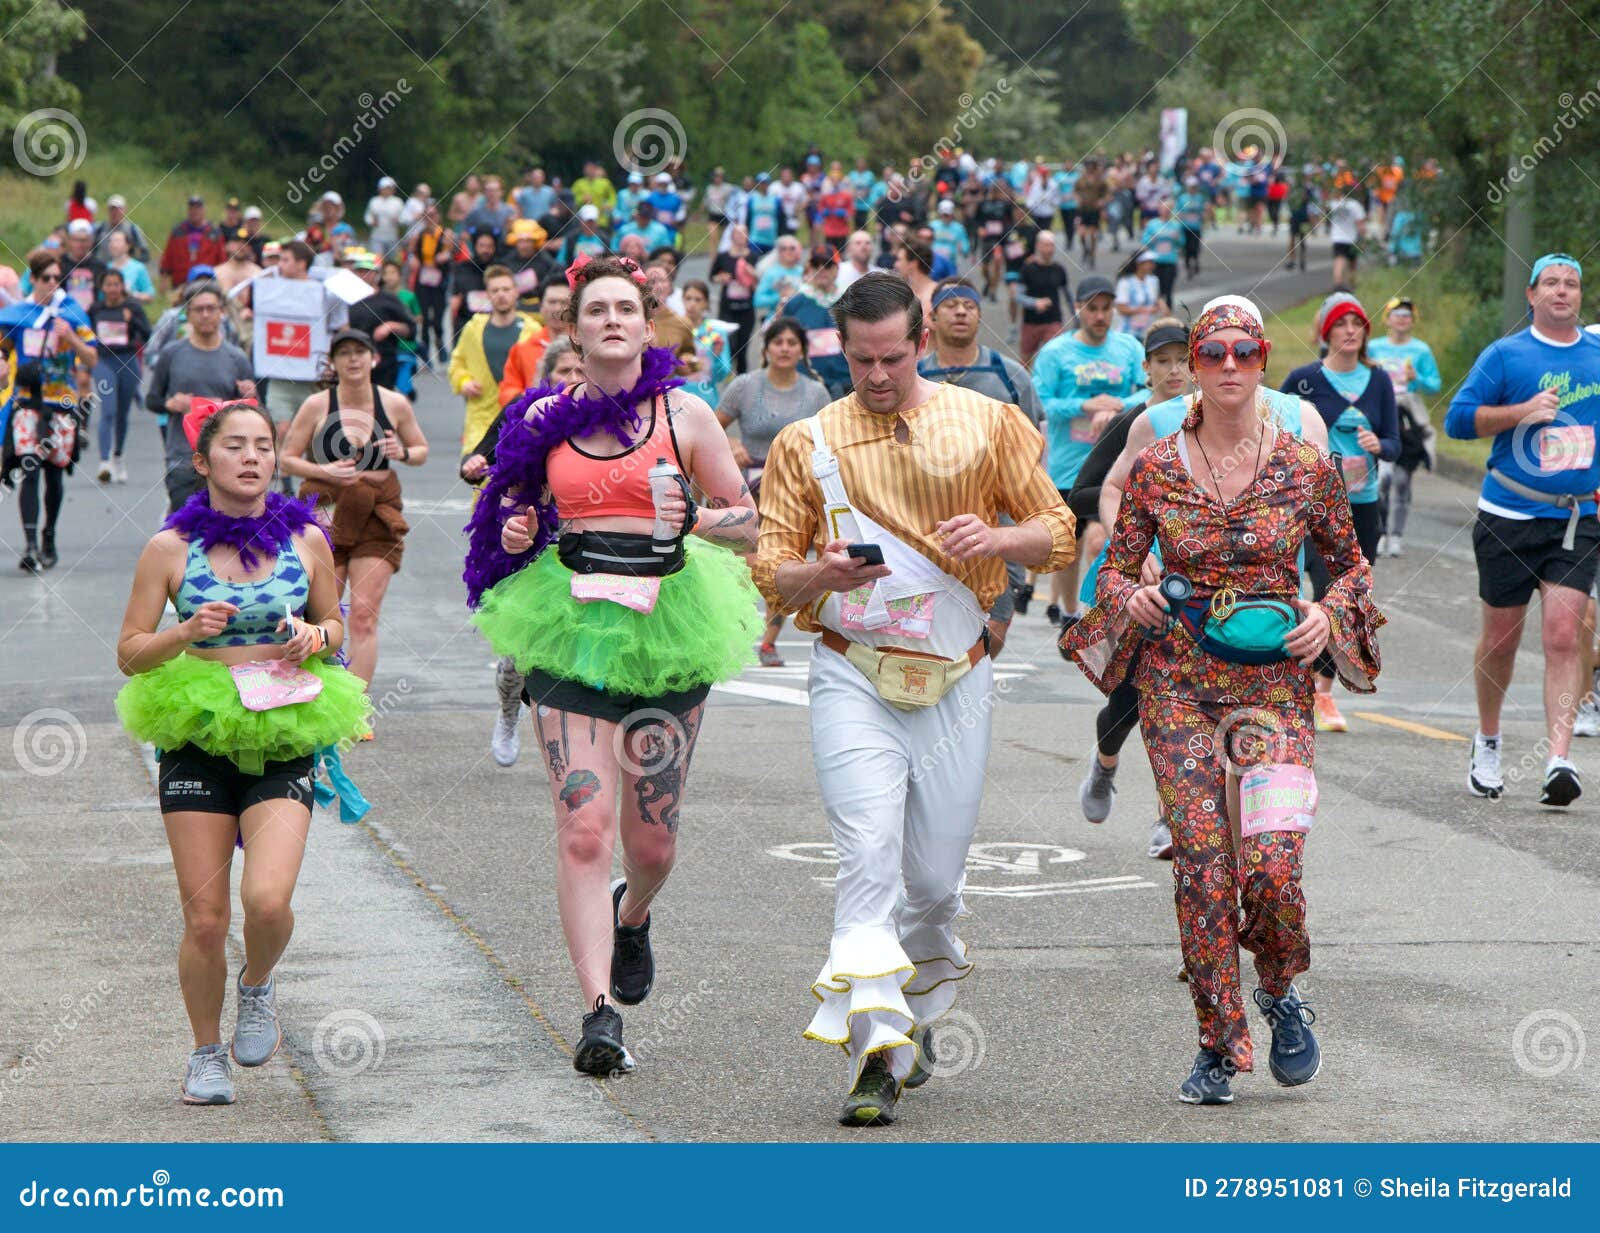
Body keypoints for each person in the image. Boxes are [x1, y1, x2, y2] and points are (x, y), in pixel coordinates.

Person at [752, 271, 1076, 1127]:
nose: (878, 375)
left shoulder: (988, 422)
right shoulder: (807, 442)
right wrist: (821, 570)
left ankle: (918, 999)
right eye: (861, 360)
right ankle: (876, 1050)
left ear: (921, 341)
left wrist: (998, 535)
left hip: (957, 677)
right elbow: (770, 570)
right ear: (842, 352)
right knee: (866, 854)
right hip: (851, 669)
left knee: (931, 878)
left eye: (893, 356)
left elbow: (1059, 530)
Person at [1061, 297, 1382, 1106]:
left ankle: (1277, 987)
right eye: (1214, 353)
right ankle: (1217, 1039)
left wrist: (1324, 614)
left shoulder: (1308, 465)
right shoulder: (1159, 465)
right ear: (1194, 366)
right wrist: (1130, 595)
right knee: (1203, 864)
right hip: (1178, 680)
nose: (1230, 365)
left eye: (1245, 352)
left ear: (1264, 360)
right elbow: (1114, 566)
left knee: (1272, 869)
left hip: (1273, 685)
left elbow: (1349, 568)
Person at [463, 254, 762, 1076]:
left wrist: (697, 518)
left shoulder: (688, 414)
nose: (612, 320)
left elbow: (749, 522)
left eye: (626, 307)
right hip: (569, 625)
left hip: (670, 620)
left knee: (651, 845)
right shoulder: (541, 417)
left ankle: (635, 915)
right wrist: (517, 530)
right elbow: (502, 512)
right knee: (585, 825)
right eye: (596, 310)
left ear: (647, 320)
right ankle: (597, 1011)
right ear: (575, 328)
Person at [114, 399, 370, 1106]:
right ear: (204, 461)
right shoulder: (169, 548)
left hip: (284, 727)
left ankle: (256, 985)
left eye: (264, 444)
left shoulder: (307, 539)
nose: (253, 456)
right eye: (235, 445)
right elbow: (130, 652)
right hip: (197, 737)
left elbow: (335, 626)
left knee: (266, 900)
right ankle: (204, 1053)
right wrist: (187, 628)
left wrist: (316, 640)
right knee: (205, 918)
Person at [1446, 254, 1600, 807]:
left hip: (1576, 518)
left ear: (1581, 296)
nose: (1562, 292)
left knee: (1563, 634)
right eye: (1552, 283)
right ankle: (1488, 740)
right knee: (1502, 639)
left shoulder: (1597, 354)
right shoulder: (1506, 355)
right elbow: (1457, 421)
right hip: (1509, 514)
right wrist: (1520, 412)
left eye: (1572, 284)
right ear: (1532, 295)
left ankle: (1558, 758)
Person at [280, 328, 428, 689]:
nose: (353, 359)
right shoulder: (317, 405)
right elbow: (285, 459)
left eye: (360, 351)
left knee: (363, 615)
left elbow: (421, 450)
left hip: (376, 516)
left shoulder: (393, 403)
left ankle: (356, 707)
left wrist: (402, 453)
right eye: (344, 353)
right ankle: (320, 695)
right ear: (334, 362)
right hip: (327, 516)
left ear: (373, 358)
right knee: (322, 615)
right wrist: (323, 470)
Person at [1281, 293, 1399, 733]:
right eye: (1341, 324)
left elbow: (1395, 442)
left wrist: (1379, 447)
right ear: (1326, 332)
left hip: (1364, 506)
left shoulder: (1379, 381)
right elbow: (1272, 427)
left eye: (1358, 324)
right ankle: (1309, 686)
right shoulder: (1304, 379)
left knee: (1348, 597)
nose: (1351, 331)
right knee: (1322, 586)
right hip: (1314, 508)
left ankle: (1320, 690)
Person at [918, 279, 1046, 653]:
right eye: (951, 305)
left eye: (969, 306)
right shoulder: (913, 375)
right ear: (932, 318)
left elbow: (1033, 444)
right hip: (927, 512)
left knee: (998, 617)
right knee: (928, 617)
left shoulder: (1009, 376)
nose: (961, 312)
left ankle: (972, 680)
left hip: (998, 515)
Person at [717, 318, 832, 667]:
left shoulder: (816, 393)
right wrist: (732, 442)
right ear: (765, 348)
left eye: (791, 343)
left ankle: (768, 641)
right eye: (777, 342)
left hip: (793, 488)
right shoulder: (744, 386)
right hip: (746, 485)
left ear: (802, 350)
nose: (784, 348)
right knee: (741, 564)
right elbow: (709, 429)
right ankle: (732, 635)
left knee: (782, 561)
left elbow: (827, 442)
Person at [1032, 275, 1144, 627]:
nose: (1100, 316)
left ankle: (1104, 613)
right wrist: (1085, 406)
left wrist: (1115, 409)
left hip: (1115, 466)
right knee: (1068, 548)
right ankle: (1068, 612)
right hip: (1069, 467)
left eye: (1106, 309)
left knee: (1101, 540)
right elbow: (1042, 403)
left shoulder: (1128, 348)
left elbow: (1148, 393)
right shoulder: (1056, 353)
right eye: (1092, 309)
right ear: (1078, 309)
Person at [0, 250, 98, 571]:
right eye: (47, 278)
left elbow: (92, 358)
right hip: (28, 404)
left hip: (62, 406)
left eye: (58, 278)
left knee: (54, 474)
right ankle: (29, 544)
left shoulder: (71, 314)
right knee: (29, 470)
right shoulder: (17, 314)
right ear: (34, 279)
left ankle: (49, 536)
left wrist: (70, 336)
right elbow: (3, 348)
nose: (53, 284)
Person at [144, 281, 257, 513]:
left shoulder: (236, 358)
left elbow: (252, 415)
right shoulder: (172, 354)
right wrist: (172, 404)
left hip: (226, 462)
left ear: (222, 312)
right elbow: (152, 399)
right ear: (188, 313)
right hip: (183, 459)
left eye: (211, 308)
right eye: (199, 309)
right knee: (185, 534)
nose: (205, 315)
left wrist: (250, 395)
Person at [1368, 297, 1442, 558]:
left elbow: (1435, 385)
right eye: (1397, 314)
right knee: (1380, 480)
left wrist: (1417, 378)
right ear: (1387, 318)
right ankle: (1379, 533)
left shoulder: (1421, 350)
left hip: (1407, 417)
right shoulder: (1374, 348)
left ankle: (1396, 535)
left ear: (1413, 321)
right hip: (1380, 414)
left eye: (1407, 315)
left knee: (1401, 479)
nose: (1402, 319)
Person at [449, 264, 541, 457]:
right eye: (495, 290)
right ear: (487, 295)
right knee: (477, 471)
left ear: (516, 292)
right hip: (481, 415)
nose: (501, 295)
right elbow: (457, 362)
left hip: (518, 415)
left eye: (506, 289)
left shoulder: (533, 331)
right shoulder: (473, 329)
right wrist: (464, 382)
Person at [89, 267, 152, 484]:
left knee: (122, 414)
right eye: (109, 285)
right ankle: (104, 461)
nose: (113, 289)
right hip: (104, 362)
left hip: (127, 361)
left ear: (122, 286)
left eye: (117, 284)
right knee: (108, 410)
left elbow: (146, 334)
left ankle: (118, 457)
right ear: (102, 287)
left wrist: (131, 322)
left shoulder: (132, 307)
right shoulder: (95, 309)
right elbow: (87, 335)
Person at [344, 250, 416, 391]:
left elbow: (411, 329)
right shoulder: (344, 299)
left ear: (377, 274)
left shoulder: (388, 299)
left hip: (383, 364)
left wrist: (391, 326)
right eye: (359, 271)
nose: (363, 275)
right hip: (350, 362)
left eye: (368, 271)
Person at [497, 276, 569, 408]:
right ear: (541, 307)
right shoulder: (523, 348)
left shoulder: (586, 345)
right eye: (552, 302)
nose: (558, 308)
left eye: (564, 302)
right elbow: (506, 393)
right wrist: (532, 394)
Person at [407, 200, 456, 366]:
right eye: (426, 215)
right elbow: (411, 253)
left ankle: (439, 340)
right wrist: (412, 259)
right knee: (424, 316)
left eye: (433, 214)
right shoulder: (418, 235)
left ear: (438, 216)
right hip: (423, 278)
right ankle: (426, 349)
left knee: (439, 314)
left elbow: (452, 251)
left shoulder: (445, 233)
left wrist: (446, 255)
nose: (430, 218)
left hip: (439, 279)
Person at [710, 224, 758, 374]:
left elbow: (761, 283)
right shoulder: (723, 256)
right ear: (732, 236)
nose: (740, 236)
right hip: (727, 307)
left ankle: (742, 379)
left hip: (747, 308)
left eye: (744, 233)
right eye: (737, 233)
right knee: (729, 344)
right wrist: (721, 278)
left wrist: (754, 275)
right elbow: (712, 276)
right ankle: (726, 376)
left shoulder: (754, 257)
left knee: (743, 346)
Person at [1016, 230, 1070, 366]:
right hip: (1031, 321)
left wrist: (1076, 315)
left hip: (1053, 320)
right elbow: (1018, 296)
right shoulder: (1027, 269)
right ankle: (1023, 385)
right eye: (1046, 245)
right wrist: (1035, 303)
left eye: (1052, 245)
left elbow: (1067, 294)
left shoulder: (1059, 269)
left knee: (1057, 355)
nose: (1050, 249)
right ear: (1038, 246)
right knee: (1025, 359)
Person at [159, 195, 225, 293]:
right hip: (181, 284)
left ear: (203, 210)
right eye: (191, 208)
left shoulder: (214, 233)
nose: (194, 211)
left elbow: (222, 261)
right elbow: (168, 257)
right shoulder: (178, 231)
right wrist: (164, 280)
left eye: (198, 208)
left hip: (206, 284)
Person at [1114, 251, 1165, 338]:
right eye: (1149, 262)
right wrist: (1144, 310)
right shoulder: (1125, 282)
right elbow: (1121, 309)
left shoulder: (1153, 280)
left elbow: (1157, 299)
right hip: (1128, 332)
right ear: (1139, 263)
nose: (1153, 264)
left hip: (1148, 332)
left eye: (1153, 262)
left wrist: (1163, 307)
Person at [101, 229, 156, 304]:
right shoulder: (104, 268)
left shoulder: (138, 268)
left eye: (117, 241)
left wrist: (132, 294)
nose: (113, 245)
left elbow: (150, 296)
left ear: (128, 246)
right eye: (111, 241)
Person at [1327, 190, 1366, 288]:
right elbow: (1360, 225)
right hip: (1351, 238)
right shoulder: (1355, 205)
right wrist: (1363, 239)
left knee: (1339, 261)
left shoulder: (1333, 204)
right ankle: (1351, 284)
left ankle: (1338, 284)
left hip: (1337, 238)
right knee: (1352, 264)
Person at [364, 176, 406, 255]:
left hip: (392, 237)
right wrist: (372, 222)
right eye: (385, 188)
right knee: (377, 260)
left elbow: (403, 218)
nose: (387, 190)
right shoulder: (374, 201)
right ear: (380, 188)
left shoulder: (398, 202)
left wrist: (398, 220)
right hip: (377, 237)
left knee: (391, 261)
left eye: (390, 188)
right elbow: (367, 217)